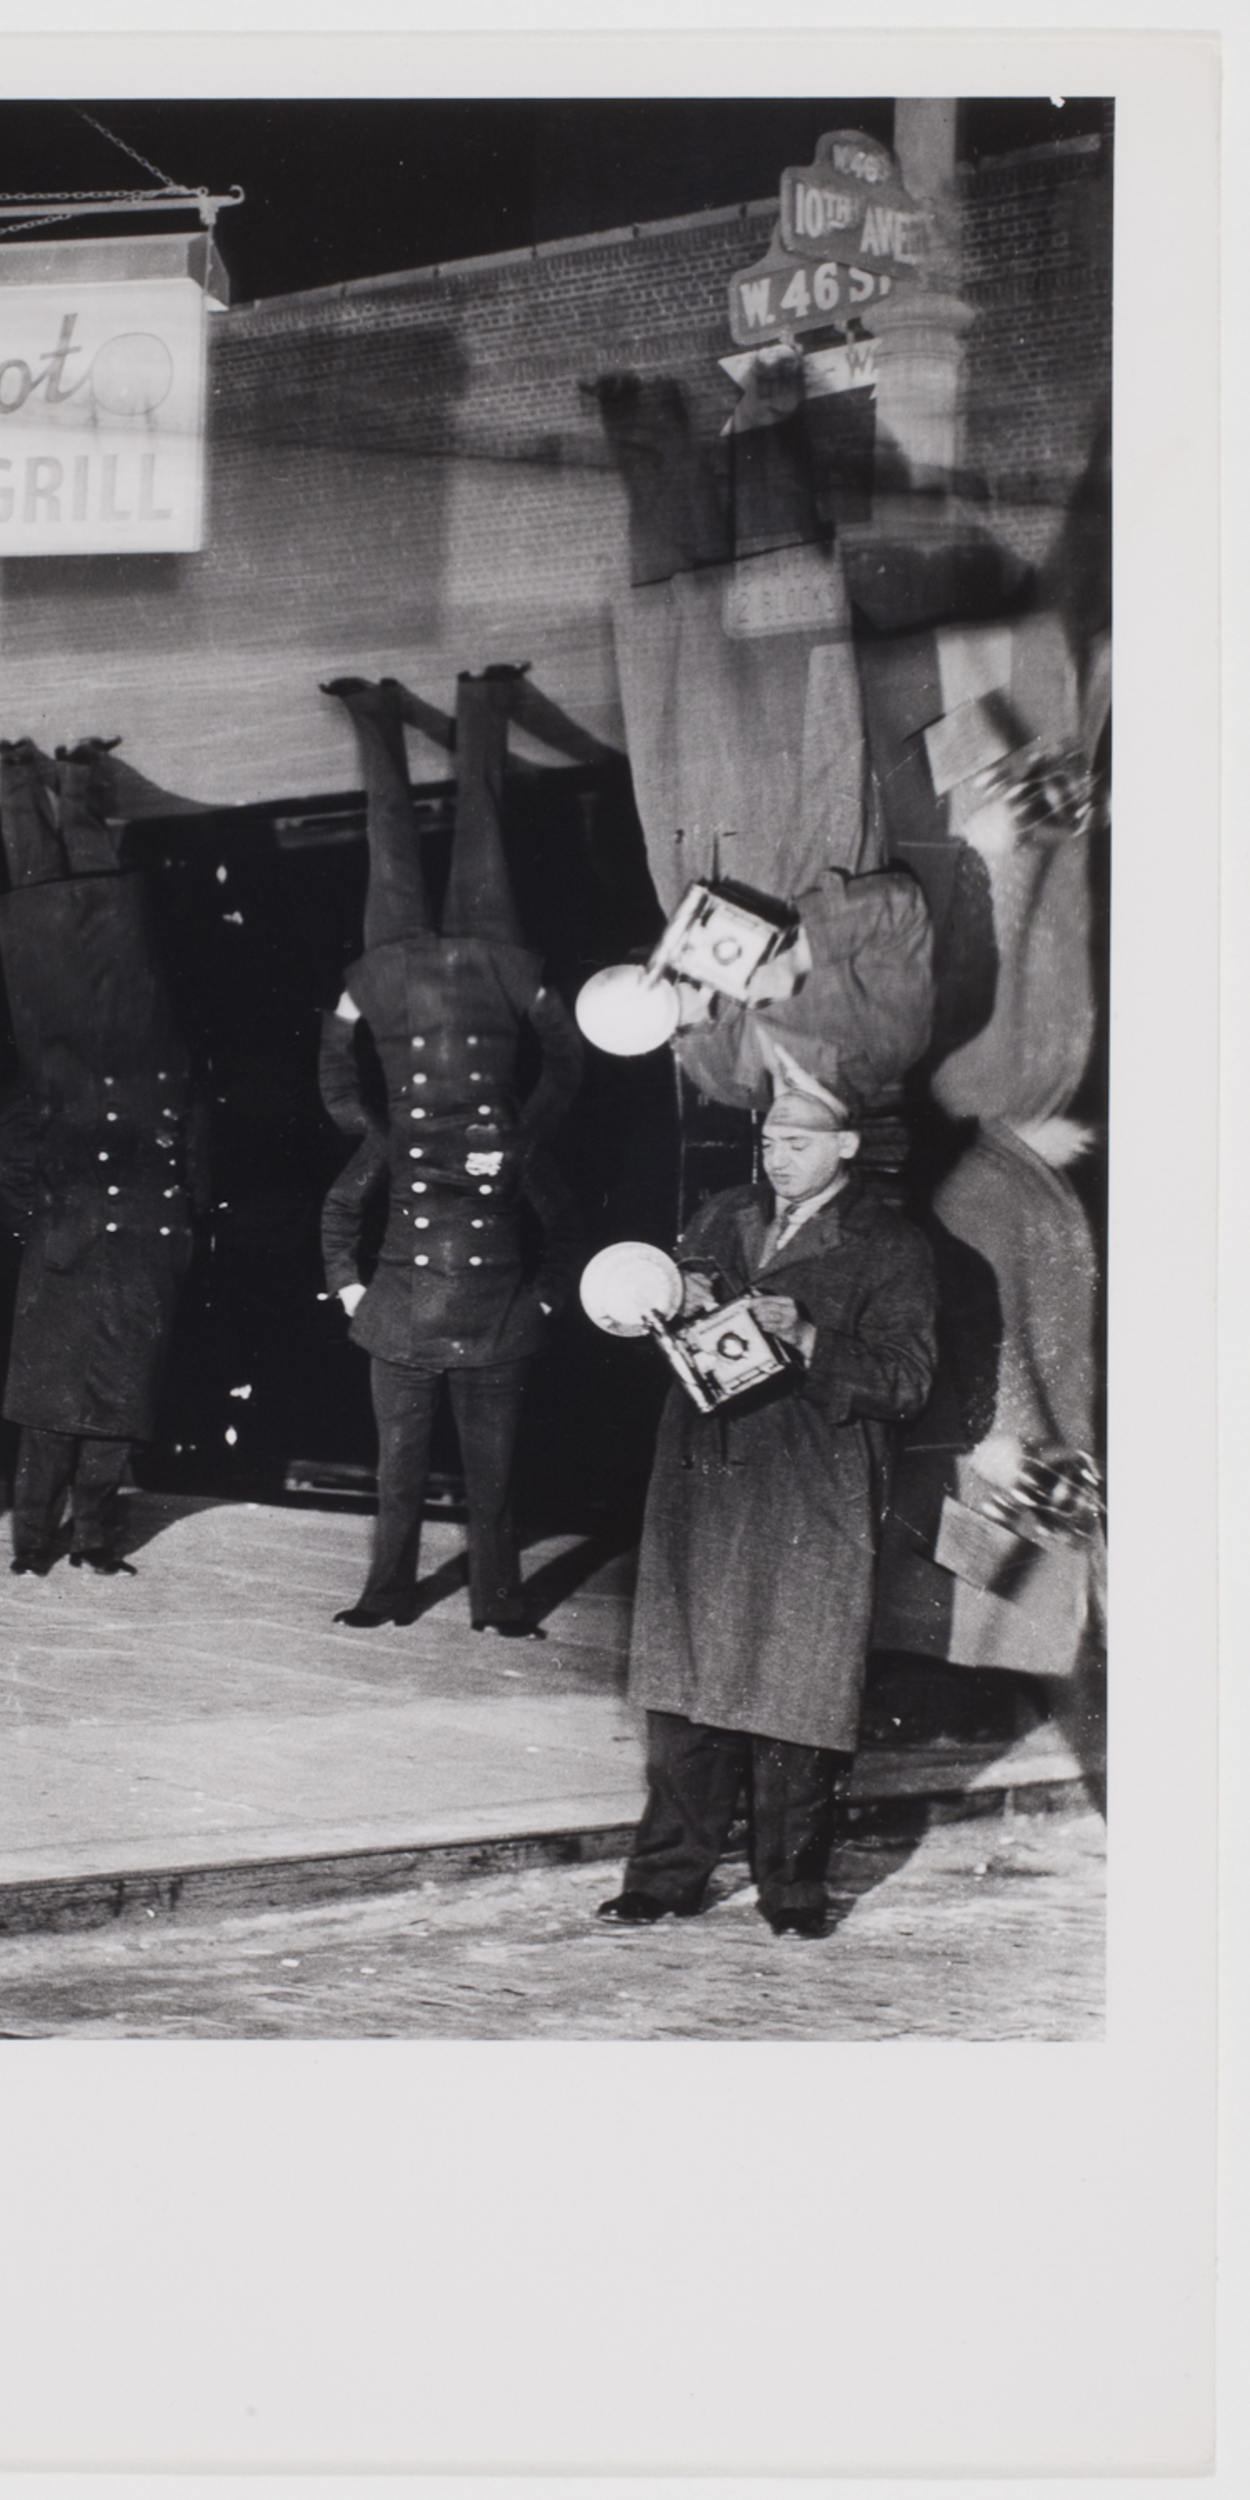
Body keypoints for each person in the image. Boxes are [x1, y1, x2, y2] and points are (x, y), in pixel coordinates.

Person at [600, 1084, 937, 1937]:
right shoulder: (723, 1214)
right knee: (687, 1692)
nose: (776, 1157)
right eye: (769, 1141)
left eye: (796, 1142)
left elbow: (907, 1382)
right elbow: (675, 1317)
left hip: (808, 1490)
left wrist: (813, 1337)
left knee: (795, 1693)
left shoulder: (892, 1247)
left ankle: (791, 1892)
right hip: (702, 1480)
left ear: (847, 1149)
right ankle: (665, 1876)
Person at [319, 667, 583, 1636]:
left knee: (482, 841)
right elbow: (337, 1088)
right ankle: (373, 713)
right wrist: (350, 1043)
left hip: (486, 983)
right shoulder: (391, 1140)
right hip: (394, 995)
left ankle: (498, 1598)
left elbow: (564, 1062)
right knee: (389, 852)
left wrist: (538, 1010)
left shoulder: (512, 1144)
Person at [0, 734, 209, 1576]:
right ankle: (32, 1542)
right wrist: (47, 1223)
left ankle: (92, 1539)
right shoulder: (108, 1046)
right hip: (71, 1259)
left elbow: (193, 1146)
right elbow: (3, 1169)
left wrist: (176, 1226)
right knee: (71, 900)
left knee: (115, 1411)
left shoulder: (120, 1064)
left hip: (136, 1261)